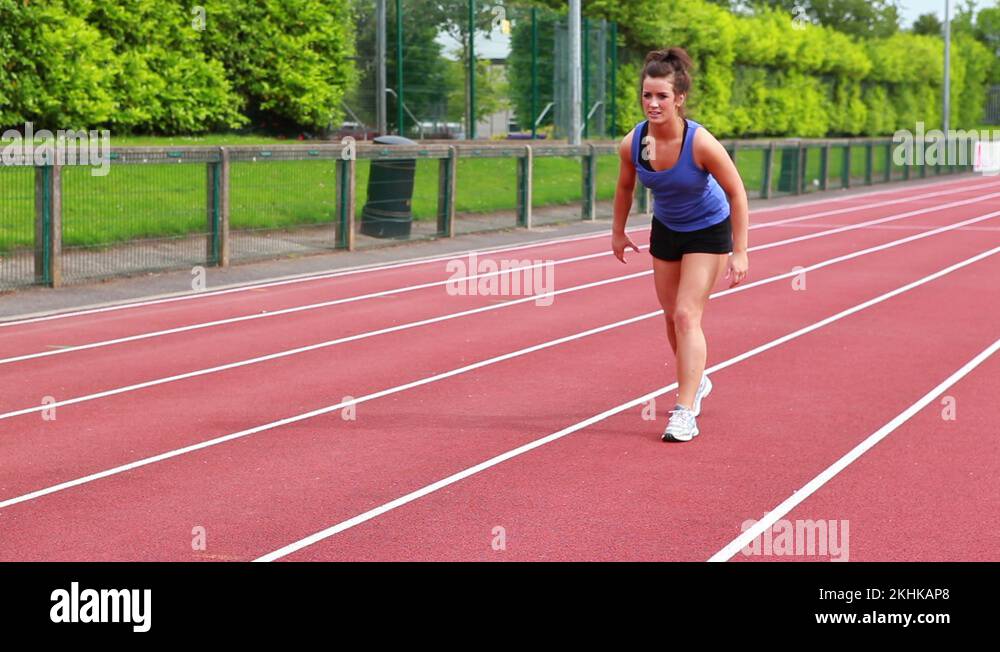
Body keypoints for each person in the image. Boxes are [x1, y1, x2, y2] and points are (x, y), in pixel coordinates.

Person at [611, 47, 749, 443]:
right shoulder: (635, 143)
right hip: (668, 229)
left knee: (688, 315)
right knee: (671, 316)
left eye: (662, 96)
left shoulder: (700, 142)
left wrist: (740, 250)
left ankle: (684, 410)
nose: (653, 103)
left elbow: (737, 193)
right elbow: (624, 187)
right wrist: (617, 231)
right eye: (647, 95)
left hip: (708, 228)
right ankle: (697, 378)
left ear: (679, 99)